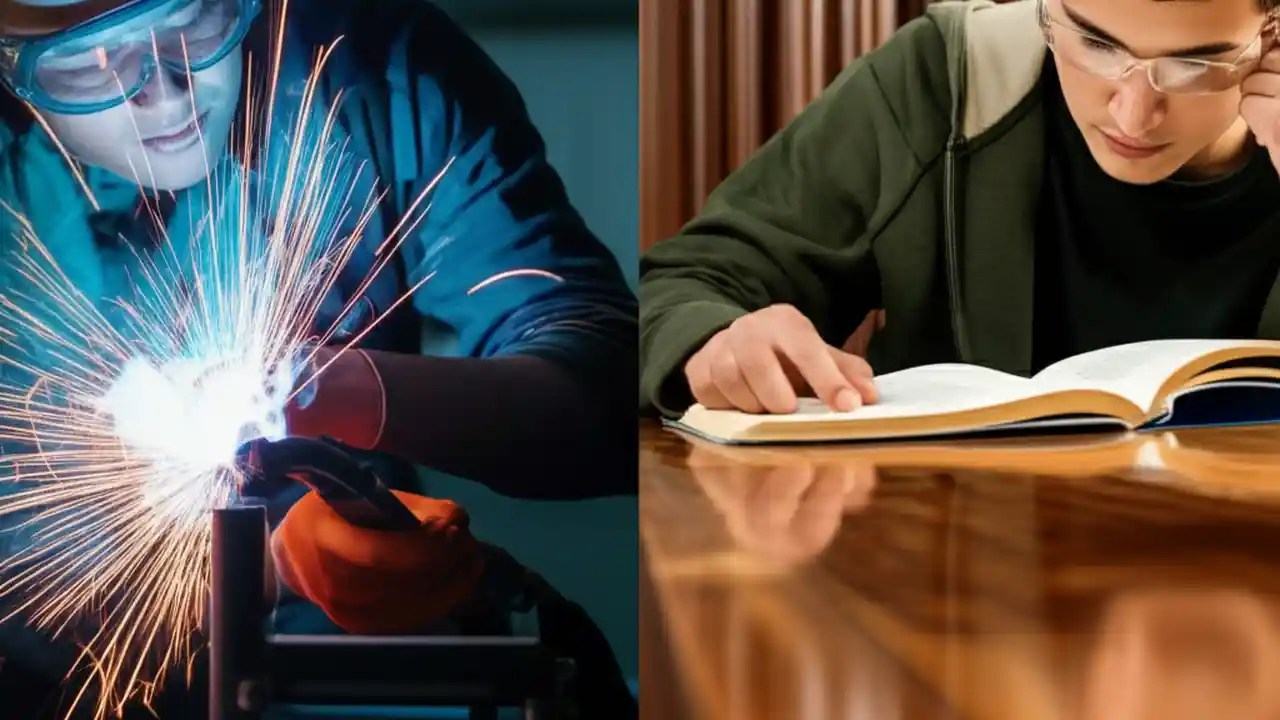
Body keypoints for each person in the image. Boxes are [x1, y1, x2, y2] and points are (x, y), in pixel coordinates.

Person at [0, 0, 636, 714]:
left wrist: (352, 391)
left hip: (351, 657)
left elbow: (604, 386)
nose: (166, 90)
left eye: (191, 23)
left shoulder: (371, 67)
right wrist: (266, 563)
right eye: (90, 66)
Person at [639, 0, 1280, 418]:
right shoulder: (940, 79)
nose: (1133, 115)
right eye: (1094, 43)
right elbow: (684, 285)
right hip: (948, 586)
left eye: (1195, 65)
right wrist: (713, 341)